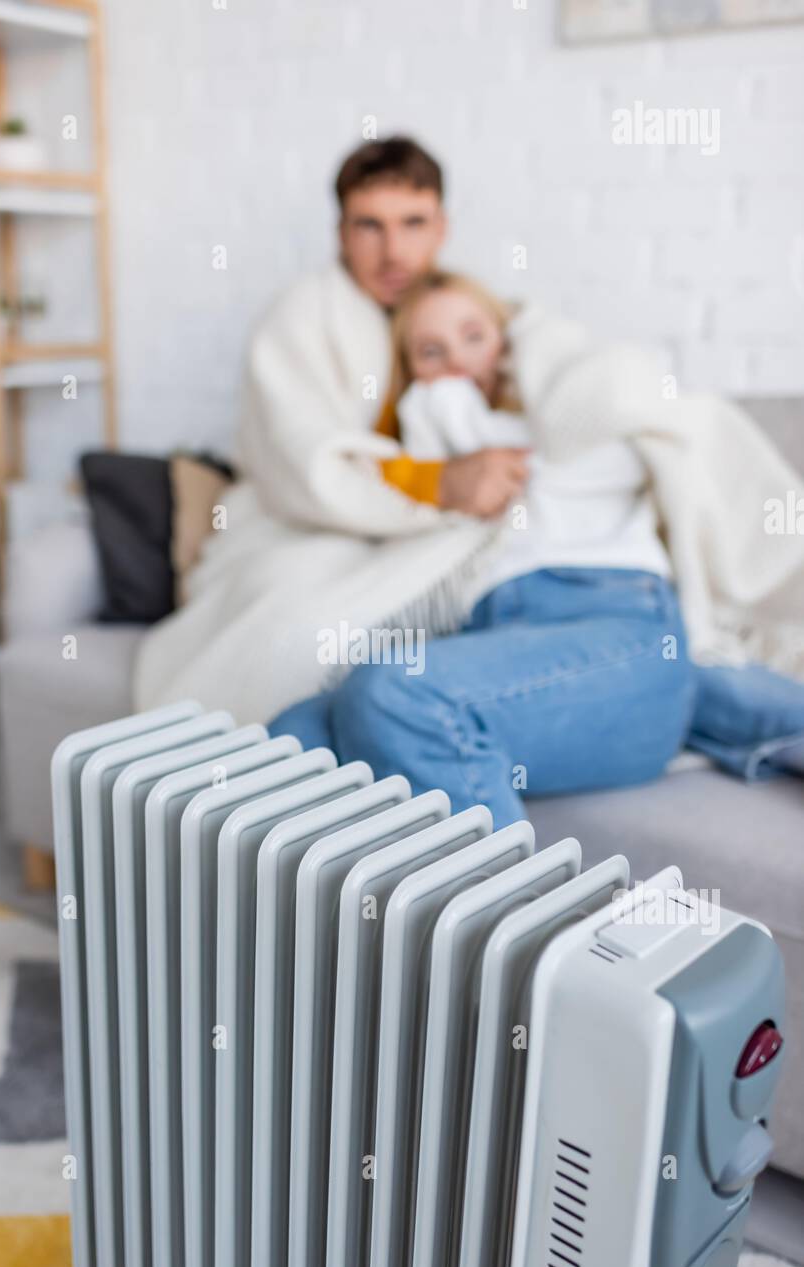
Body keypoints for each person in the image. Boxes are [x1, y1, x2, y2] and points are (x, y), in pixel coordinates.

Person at [135, 135, 804, 828]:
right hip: (497, 632)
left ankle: (521, 929)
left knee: (396, 692)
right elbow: (326, 462)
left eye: (412, 224)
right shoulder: (429, 419)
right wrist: (439, 474)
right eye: (370, 226)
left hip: (615, 617)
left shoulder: (557, 422)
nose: (393, 251)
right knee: (289, 735)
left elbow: (617, 393)